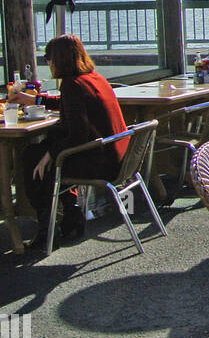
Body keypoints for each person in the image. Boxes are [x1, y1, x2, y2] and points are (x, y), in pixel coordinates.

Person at [10, 34, 128, 248]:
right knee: (44, 153)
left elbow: (77, 135)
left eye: (49, 57)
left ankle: (48, 226)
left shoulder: (71, 85)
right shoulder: (94, 78)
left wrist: (51, 154)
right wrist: (37, 100)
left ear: (59, 59)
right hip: (119, 157)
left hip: (102, 163)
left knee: (34, 157)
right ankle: (69, 214)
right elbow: (71, 106)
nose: (48, 62)